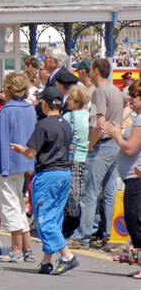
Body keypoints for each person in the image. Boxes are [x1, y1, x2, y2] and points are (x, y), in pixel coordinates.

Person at [11, 85, 78, 275]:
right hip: (64, 173)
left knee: (44, 220)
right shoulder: (65, 124)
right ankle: (47, 260)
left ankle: (67, 255)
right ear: (61, 103)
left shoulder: (43, 125)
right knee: (55, 216)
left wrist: (19, 149)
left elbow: (31, 153)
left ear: (45, 105)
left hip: (47, 174)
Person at [70, 57, 126, 250]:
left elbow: (98, 122)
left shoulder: (100, 92)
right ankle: (109, 233)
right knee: (109, 192)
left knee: (90, 191)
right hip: (115, 143)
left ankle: (83, 235)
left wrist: (92, 143)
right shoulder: (116, 91)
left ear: (95, 71)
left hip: (102, 143)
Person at [0, 72, 37, 263]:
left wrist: (2, 167)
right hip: (23, 162)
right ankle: (27, 247)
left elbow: (1, 140)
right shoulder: (30, 109)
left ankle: (16, 249)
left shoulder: (6, 111)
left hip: (5, 164)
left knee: (9, 207)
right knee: (19, 205)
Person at [99, 79, 141, 279]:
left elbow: (130, 147)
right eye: (130, 96)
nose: (130, 99)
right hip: (131, 177)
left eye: (134, 96)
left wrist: (117, 135)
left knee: (136, 222)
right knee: (133, 222)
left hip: (136, 177)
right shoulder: (137, 117)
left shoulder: (140, 120)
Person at [61, 83, 92, 239]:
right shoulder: (89, 116)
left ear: (76, 100)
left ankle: (72, 225)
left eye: (70, 99)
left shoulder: (68, 117)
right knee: (87, 194)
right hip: (87, 158)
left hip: (73, 160)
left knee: (73, 195)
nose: (67, 102)